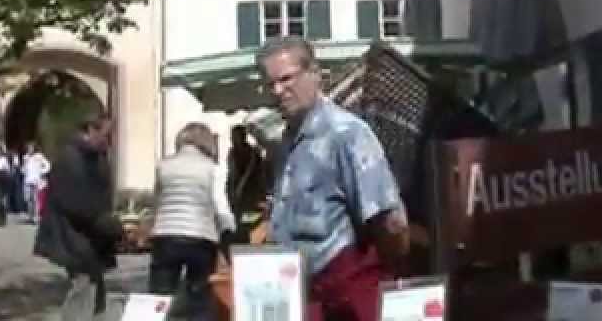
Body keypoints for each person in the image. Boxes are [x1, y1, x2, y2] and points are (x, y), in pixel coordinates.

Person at [260, 37, 411, 321]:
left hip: (346, 297)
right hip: (301, 296)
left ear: (315, 74)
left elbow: (390, 223)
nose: (278, 91)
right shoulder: (286, 143)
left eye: (286, 79)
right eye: (270, 84)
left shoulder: (347, 135)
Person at [34, 114, 124, 320]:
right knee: (84, 288)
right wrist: (114, 227)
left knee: (95, 290)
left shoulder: (93, 156)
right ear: (91, 130)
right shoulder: (71, 158)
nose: (110, 142)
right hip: (73, 238)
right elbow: (79, 206)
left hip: (89, 238)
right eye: (106, 135)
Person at [149, 122, 236, 321]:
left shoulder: (164, 165)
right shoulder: (212, 169)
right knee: (201, 298)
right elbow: (219, 204)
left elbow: (157, 201)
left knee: (159, 297)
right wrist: (229, 230)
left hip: (165, 236)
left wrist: (153, 227)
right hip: (201, 237)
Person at [226, 125, 269, 236]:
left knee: (248, 222)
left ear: (242, 137)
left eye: (234, 136)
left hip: (250, 195)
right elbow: (231, 173)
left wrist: (238, 188)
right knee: (243, 221)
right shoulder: (234, 152)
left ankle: (246, 236)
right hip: (240, 195)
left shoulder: (251, 153)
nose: (232, 139)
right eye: (232, 137)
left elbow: (256, 174)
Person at [21, 142, 51, 224]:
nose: (29, 149)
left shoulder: (39, 156)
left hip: (36, 180)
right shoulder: (25, 157)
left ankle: (36, 217)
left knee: (35, 200)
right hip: (27, 180)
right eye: (28, 148)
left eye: (31, 148)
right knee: (28, 199)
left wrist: (41, 172)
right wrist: (23, 170)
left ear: (34, 148)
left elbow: (48, 166)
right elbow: (24, 169)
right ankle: (30, 216)